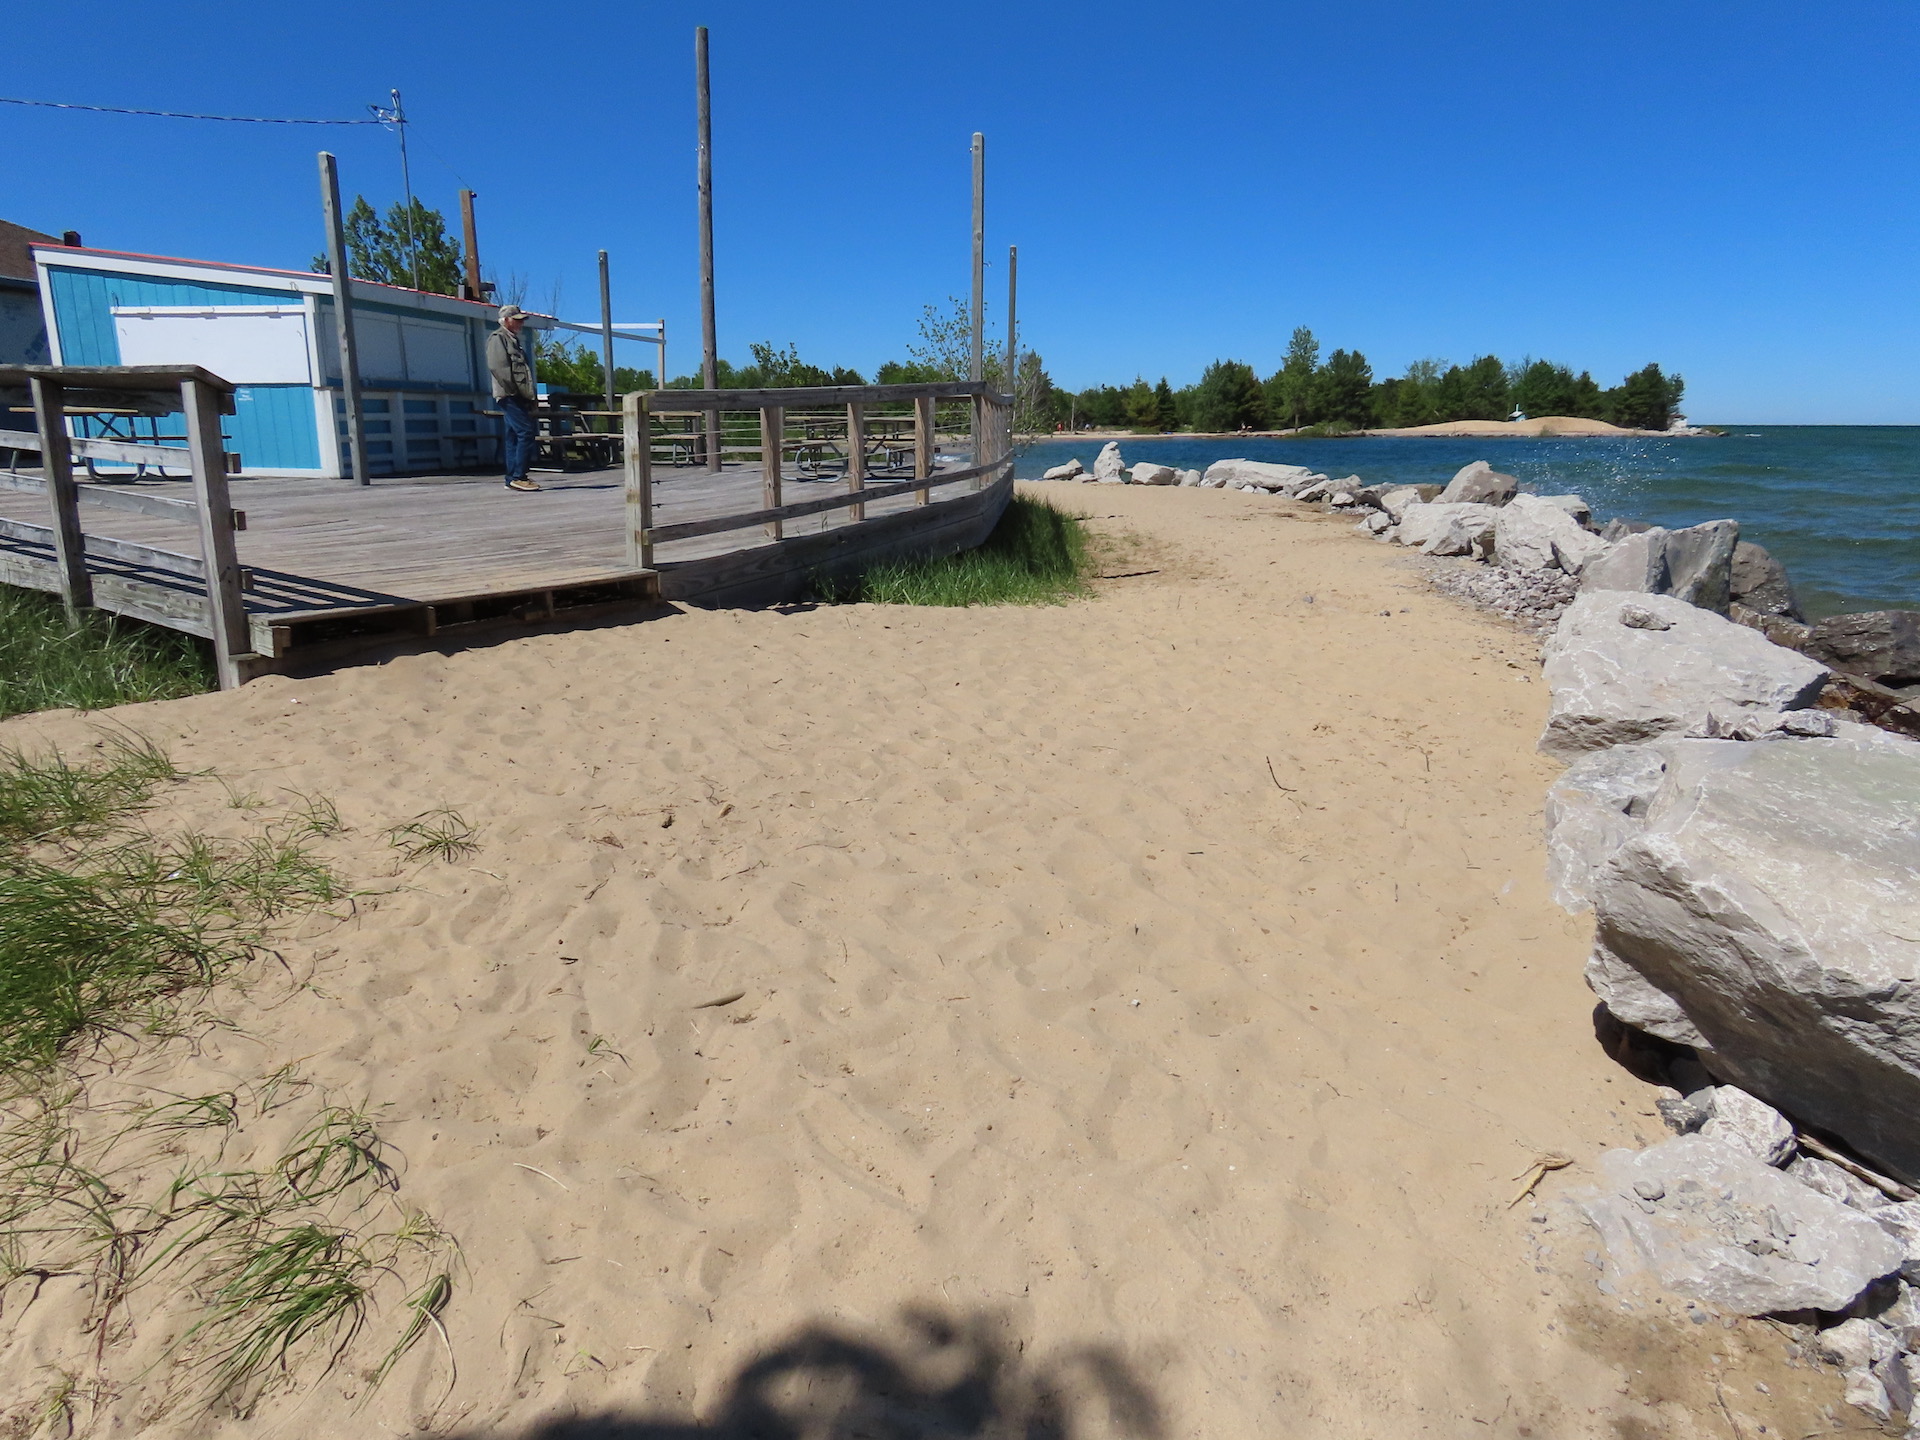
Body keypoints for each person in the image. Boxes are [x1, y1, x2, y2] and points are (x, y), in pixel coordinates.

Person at [488, 305, 540, 492]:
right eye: (517, 319)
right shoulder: (498, 339)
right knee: (526, 432)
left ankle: (511, 478)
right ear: (506, 320)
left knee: (512, 436)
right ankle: (520, 476)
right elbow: (498, 368)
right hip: (509, 395)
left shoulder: (513, 340)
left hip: (517, 394)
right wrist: (514, 390)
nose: (521, 323)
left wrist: (529, 395)